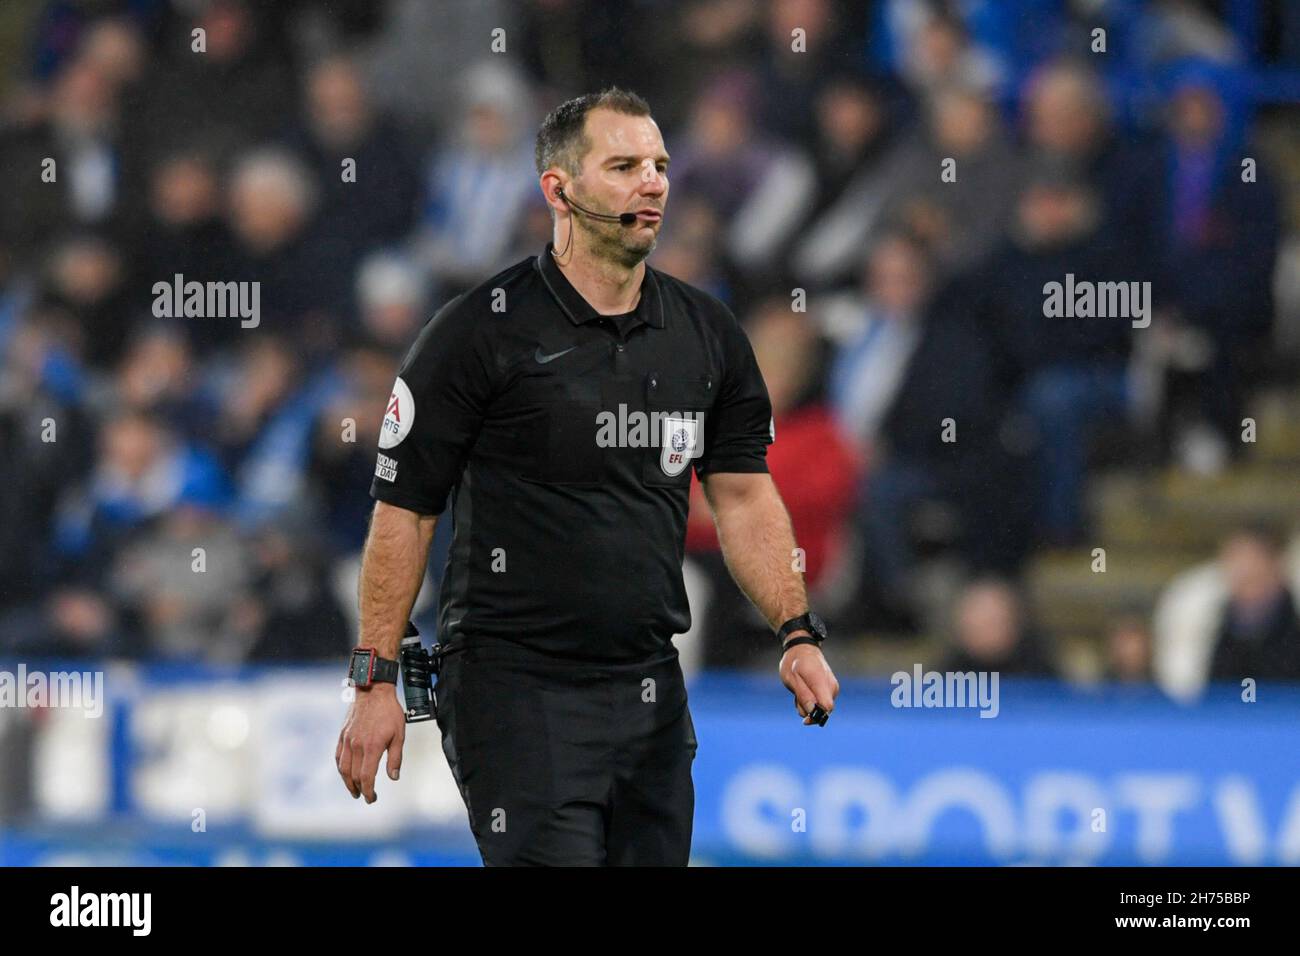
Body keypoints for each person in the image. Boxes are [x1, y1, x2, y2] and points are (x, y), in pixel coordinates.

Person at [335, 87, 839, 866]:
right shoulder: (477, 332)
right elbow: (405, 510)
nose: (654, 183)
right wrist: (374, 679)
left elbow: (742, 494)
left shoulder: (707, 336)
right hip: (512, 685)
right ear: (558, 189)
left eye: (662, 165)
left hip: (648, 688)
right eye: (625, 165)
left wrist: (795, 630)